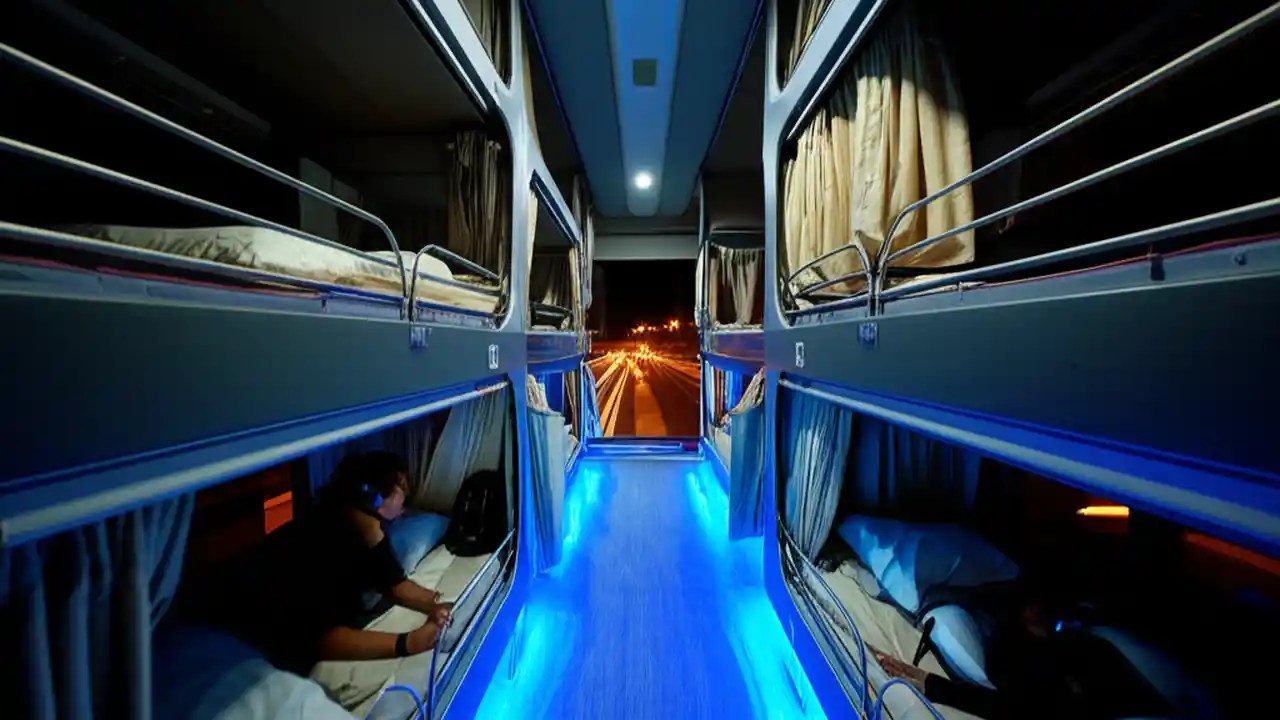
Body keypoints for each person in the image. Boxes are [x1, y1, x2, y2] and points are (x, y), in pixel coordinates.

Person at [211, 452, 452, 675]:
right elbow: (321, 638)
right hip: (238, 621)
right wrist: (407, 642)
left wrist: (439, 604)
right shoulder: (321, 541)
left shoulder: (368, 531)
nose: (406, 496)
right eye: (401, 485)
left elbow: (394, 584)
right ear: (373, 496)